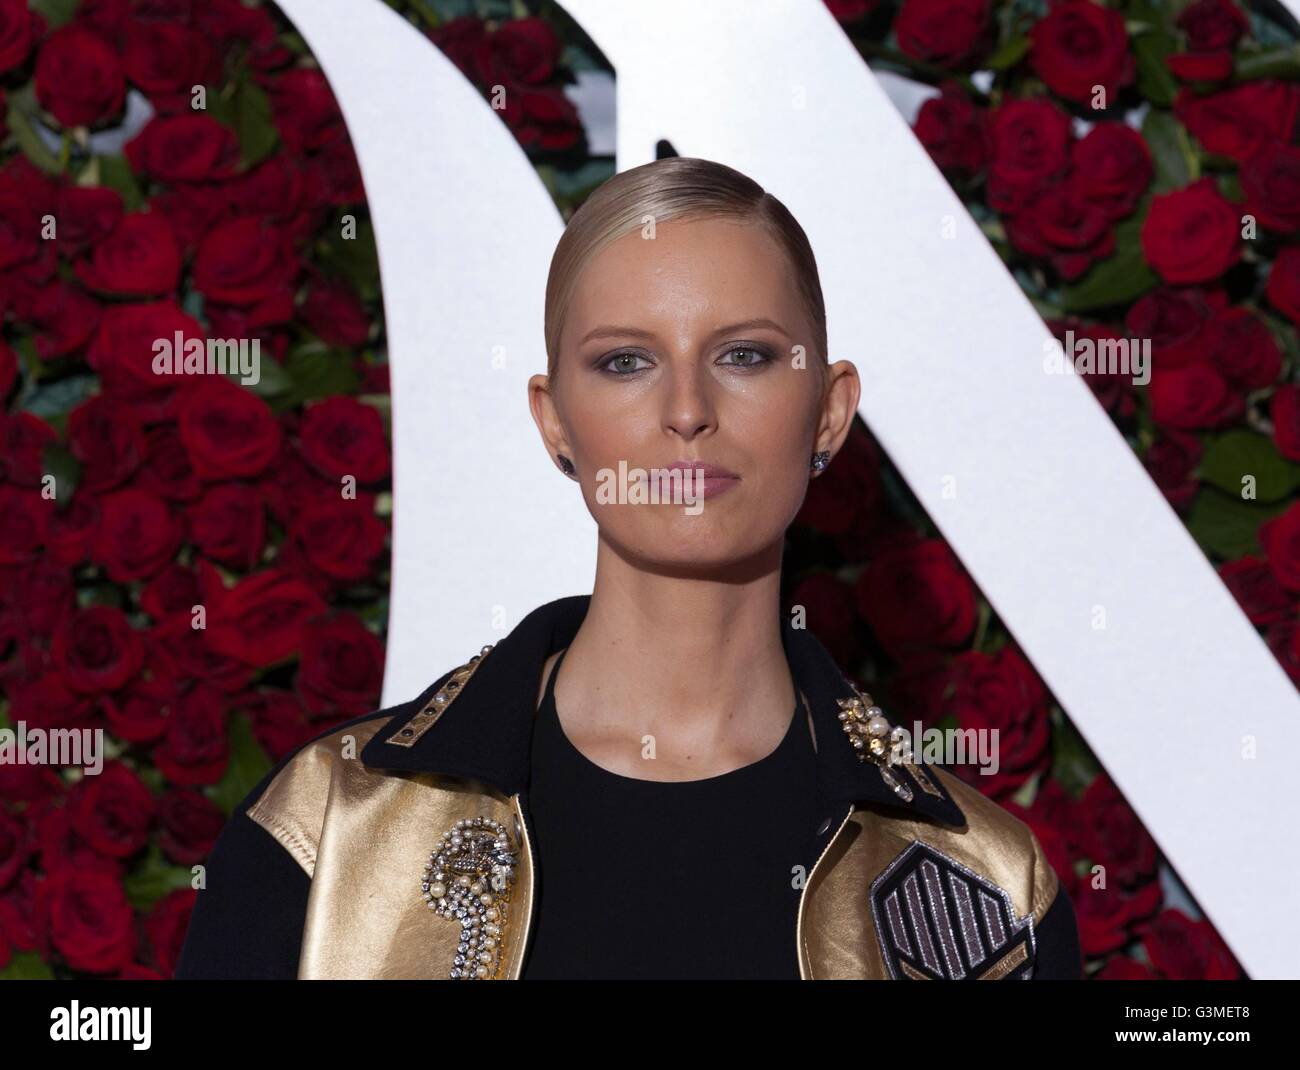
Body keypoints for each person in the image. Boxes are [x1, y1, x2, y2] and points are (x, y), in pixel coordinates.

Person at [175, 156, 1082, 980]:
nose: (687, 410)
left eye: (744, 356)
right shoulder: (324, 830)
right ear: (555, 421)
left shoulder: (992, 895)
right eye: (624, 361)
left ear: (830, 413)